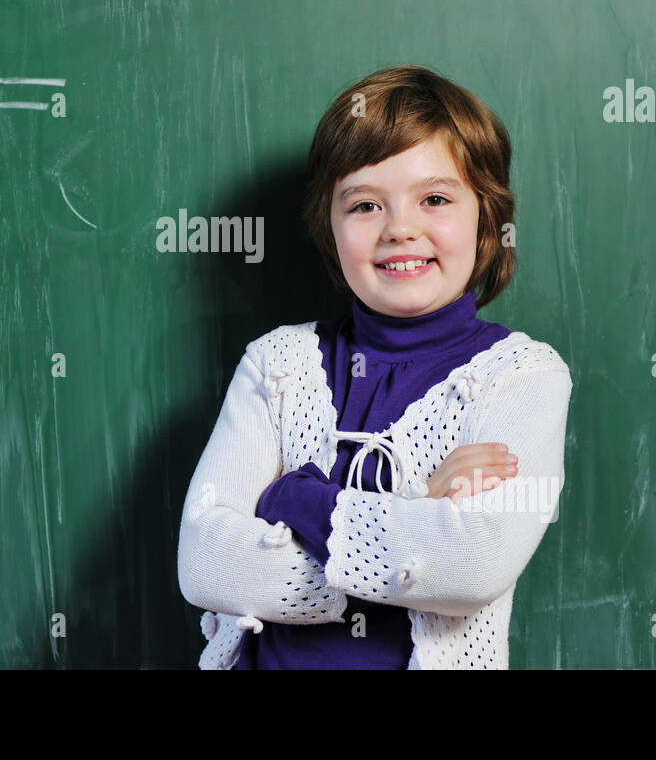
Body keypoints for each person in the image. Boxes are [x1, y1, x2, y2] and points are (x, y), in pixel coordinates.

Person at [176, 65, 573, 669]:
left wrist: (293, 497)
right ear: (329, 227)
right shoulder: (276, 364)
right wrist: (419, 518)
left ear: (486, 217)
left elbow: (472, 567)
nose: (400, 229)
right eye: (364, 205)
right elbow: (204, 561)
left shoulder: (522, 379)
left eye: (435, 199)